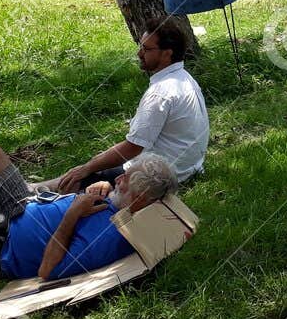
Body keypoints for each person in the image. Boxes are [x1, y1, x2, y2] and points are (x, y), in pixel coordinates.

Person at [0, 148, 178, 304]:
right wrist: (91, 192)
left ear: (137, 198)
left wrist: (72, 214)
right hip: (23, 206)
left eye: (126, 180)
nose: (118, 178)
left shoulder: (110, 236)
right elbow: (106, 195)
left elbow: (47, 271)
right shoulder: (119, 203)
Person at [50, 16, 209, 193]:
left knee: (81, 179)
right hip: (188, 169)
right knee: (93, 169)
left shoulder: (160, 93)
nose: (139, 53)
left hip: (161, 176)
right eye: (141, 46)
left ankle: (34, 192)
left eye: (147, 49)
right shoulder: (185, 78)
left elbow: (132, 148)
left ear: (167, 53)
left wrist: (87, 167)